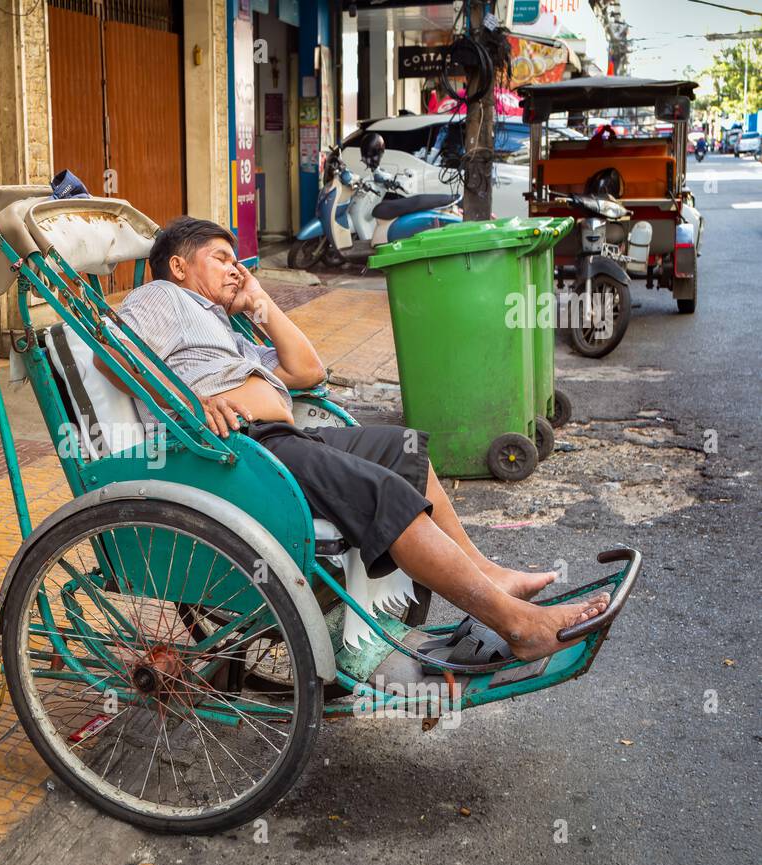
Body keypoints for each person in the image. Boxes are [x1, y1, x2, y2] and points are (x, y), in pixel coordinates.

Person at [95, 216, 609, 663]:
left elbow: (307, 369)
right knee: (385, 495)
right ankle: (518, 626)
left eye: (239, 262)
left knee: (403, 448)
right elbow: (111, 355)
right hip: (238, 451)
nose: (237, 269)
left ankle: (487, 573)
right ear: (180, 267)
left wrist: (261, 302)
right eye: (222, 259)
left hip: (277, 437)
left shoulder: (220, 326)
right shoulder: (162, 296)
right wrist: (190, 401)